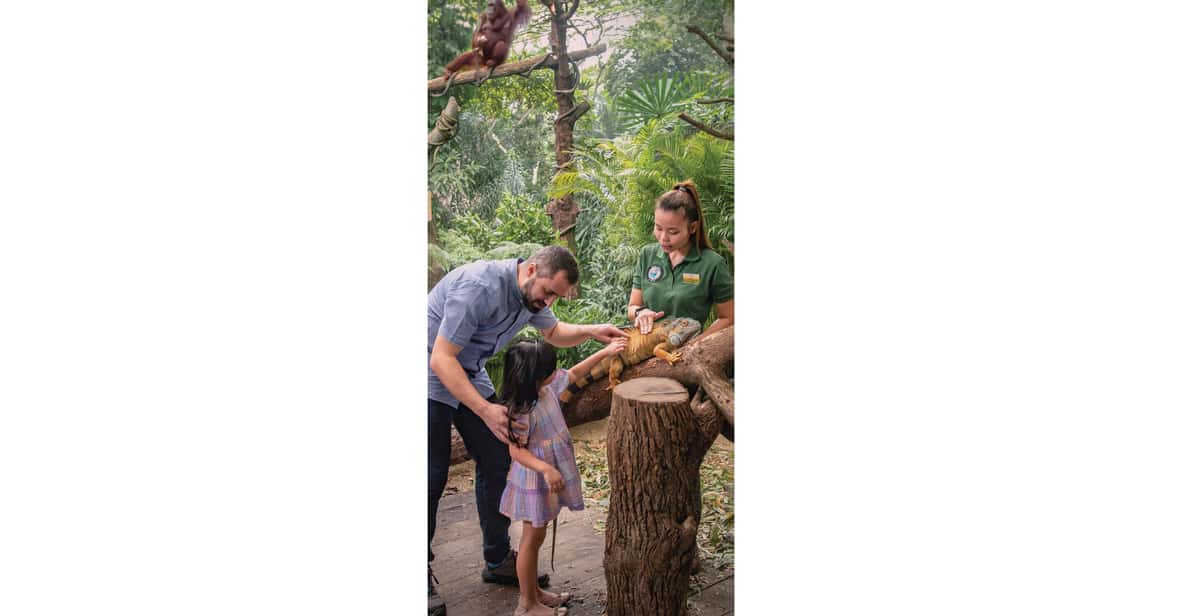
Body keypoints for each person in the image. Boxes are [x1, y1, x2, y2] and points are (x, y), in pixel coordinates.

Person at [427, 245, 626, 616]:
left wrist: (592, 331)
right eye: (548, 292)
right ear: (531, 269)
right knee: (431, 475)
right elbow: (441, 358)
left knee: (496, 460)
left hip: (469, 369)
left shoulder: (532, 296)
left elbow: (554, 332)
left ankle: (497, 558)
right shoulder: (479, 287)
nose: (548, 302)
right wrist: (485, 409)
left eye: (556, 297)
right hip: (430, 368)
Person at [497, 336, 627, 616]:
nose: (556, 372)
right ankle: (526, 605)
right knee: (531, 539)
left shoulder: (546, 388)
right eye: (550, 369)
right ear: (533, 376)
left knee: (537, 537)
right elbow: (516, 451)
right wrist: (546, 469)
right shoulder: (520, 410)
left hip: (548, 476)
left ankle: (534, 592)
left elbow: (576, 372)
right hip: (535, 480)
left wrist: (605, 352)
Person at [629, 180, 734, 338]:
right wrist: (640, 312)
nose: (663, 238)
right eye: (658, 228)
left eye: (673, 232)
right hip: (645, 345)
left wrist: (696, 345)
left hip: (687, 348)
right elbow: (633, 307)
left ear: (692, 228)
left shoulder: (712, 264)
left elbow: (728, 317)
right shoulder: (647, 254)